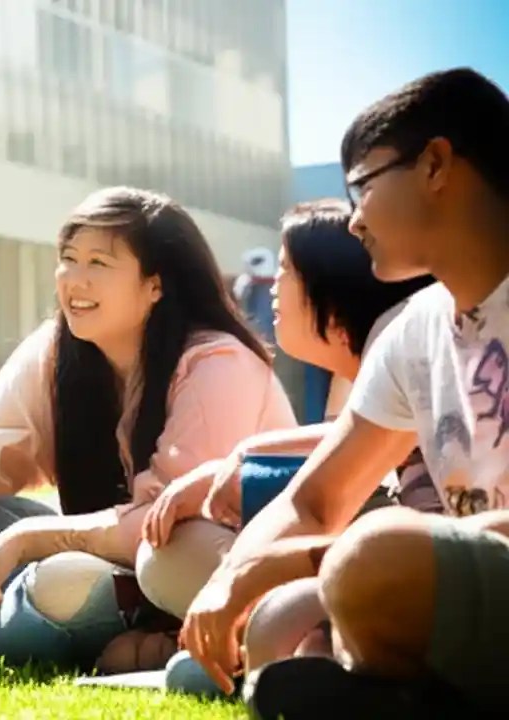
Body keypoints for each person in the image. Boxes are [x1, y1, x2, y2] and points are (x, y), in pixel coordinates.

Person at [180, 68, 509, 718]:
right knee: (276, 620)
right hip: (472, 580)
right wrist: (229, 589)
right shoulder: (414, 330)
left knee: (373, 559)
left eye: (359, 185)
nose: (354, 220)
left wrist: (298, 563)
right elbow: (318, 499)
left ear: (436, 165)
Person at [0, 186, 297, 670]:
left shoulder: (218, 363)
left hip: (206, 564)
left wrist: (25, 539)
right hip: (117, 567)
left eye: (99, 264)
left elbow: (161, 522)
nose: (75, 280)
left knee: (60, 581)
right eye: (68, 259)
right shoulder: (57, 349)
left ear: (155, 285)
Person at [137, 200, 437, 695]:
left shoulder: (406, 334)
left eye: (285, 270)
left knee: (185, 569)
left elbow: (335, 476)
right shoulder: (387, 348)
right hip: (384, 557)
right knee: (178, 565)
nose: (273, 287)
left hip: (434, 569)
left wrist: (240, 471)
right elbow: (339, 452)